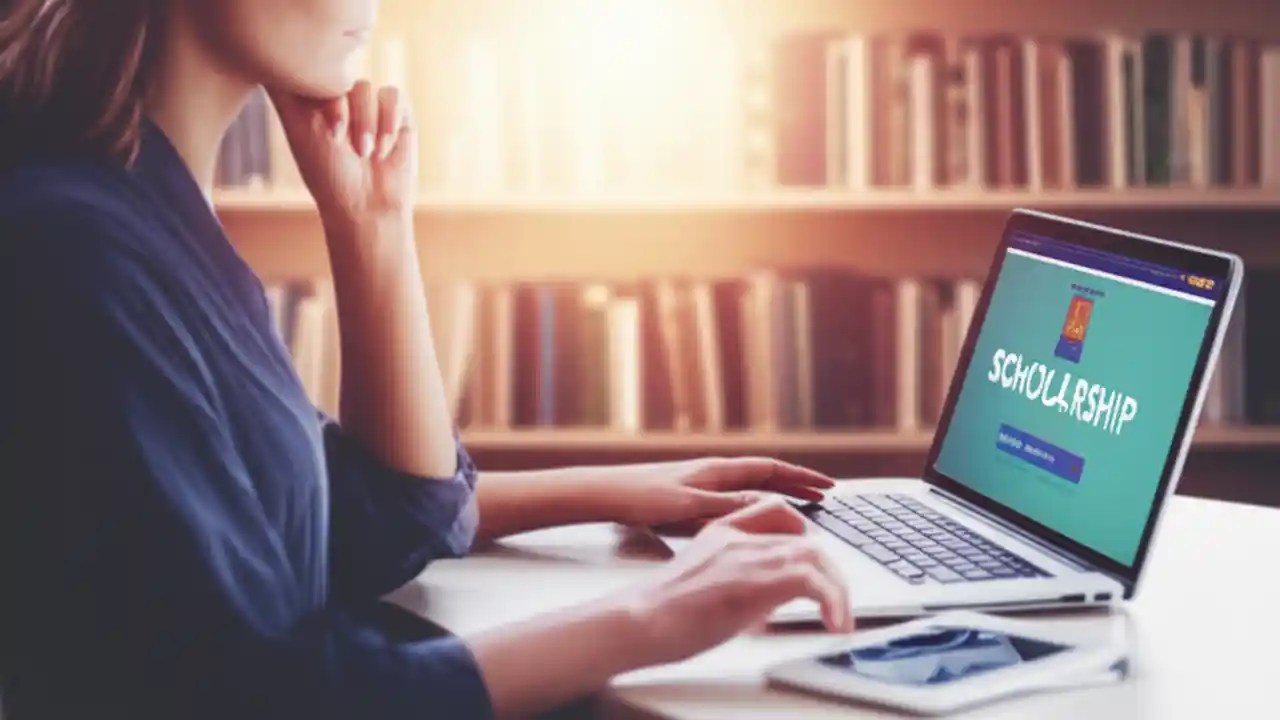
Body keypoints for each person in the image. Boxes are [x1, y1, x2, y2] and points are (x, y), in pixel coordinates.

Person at [0, 1, 853, 718]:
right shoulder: (76, 247)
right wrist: (653, 613)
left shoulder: (149, 212)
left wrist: (372, 225)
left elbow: (378, 522)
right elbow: (247, 696)